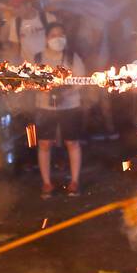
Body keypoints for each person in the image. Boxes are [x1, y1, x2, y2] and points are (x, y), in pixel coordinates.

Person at [34, 22, 89, 198]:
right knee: (44, 143)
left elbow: (81, 79)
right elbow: (31, 81)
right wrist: (46, 90)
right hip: (44, 106)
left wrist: (66, 91)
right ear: (46, 38)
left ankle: (74, 181)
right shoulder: (38, 58)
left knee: (72, 142)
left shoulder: (72, 57)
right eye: (53, 35)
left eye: (60, 34)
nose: (57, 38)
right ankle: (46, 183)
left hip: (70, 105)